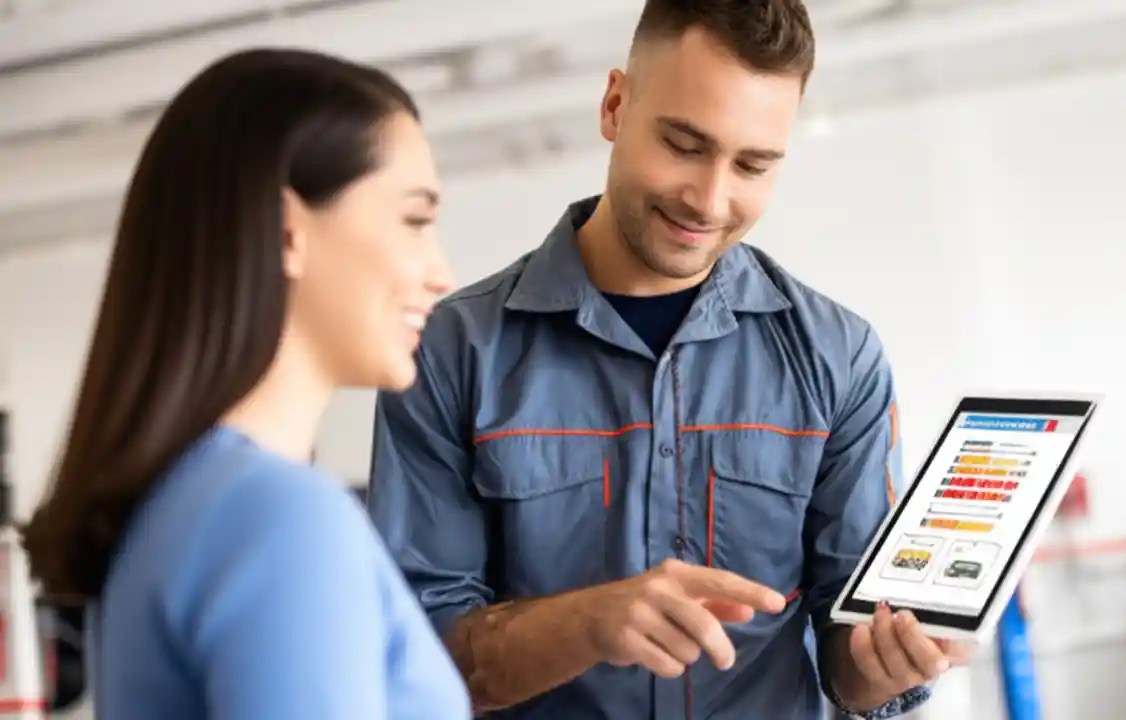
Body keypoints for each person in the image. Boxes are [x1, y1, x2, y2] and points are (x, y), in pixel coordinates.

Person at [369, 1, 972, 718]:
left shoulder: (839, 358)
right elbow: (415, 658)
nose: (709, 199)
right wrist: (589, 622)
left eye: (752, 164)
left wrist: (885, 666)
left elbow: (850, 659)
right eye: (685, 145)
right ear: (615, 105)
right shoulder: (449, 351)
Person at [21, 48, 468, 720]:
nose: (442, 274)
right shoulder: (283, 517)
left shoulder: (192, 503)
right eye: (414, 220)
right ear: (289, 231)